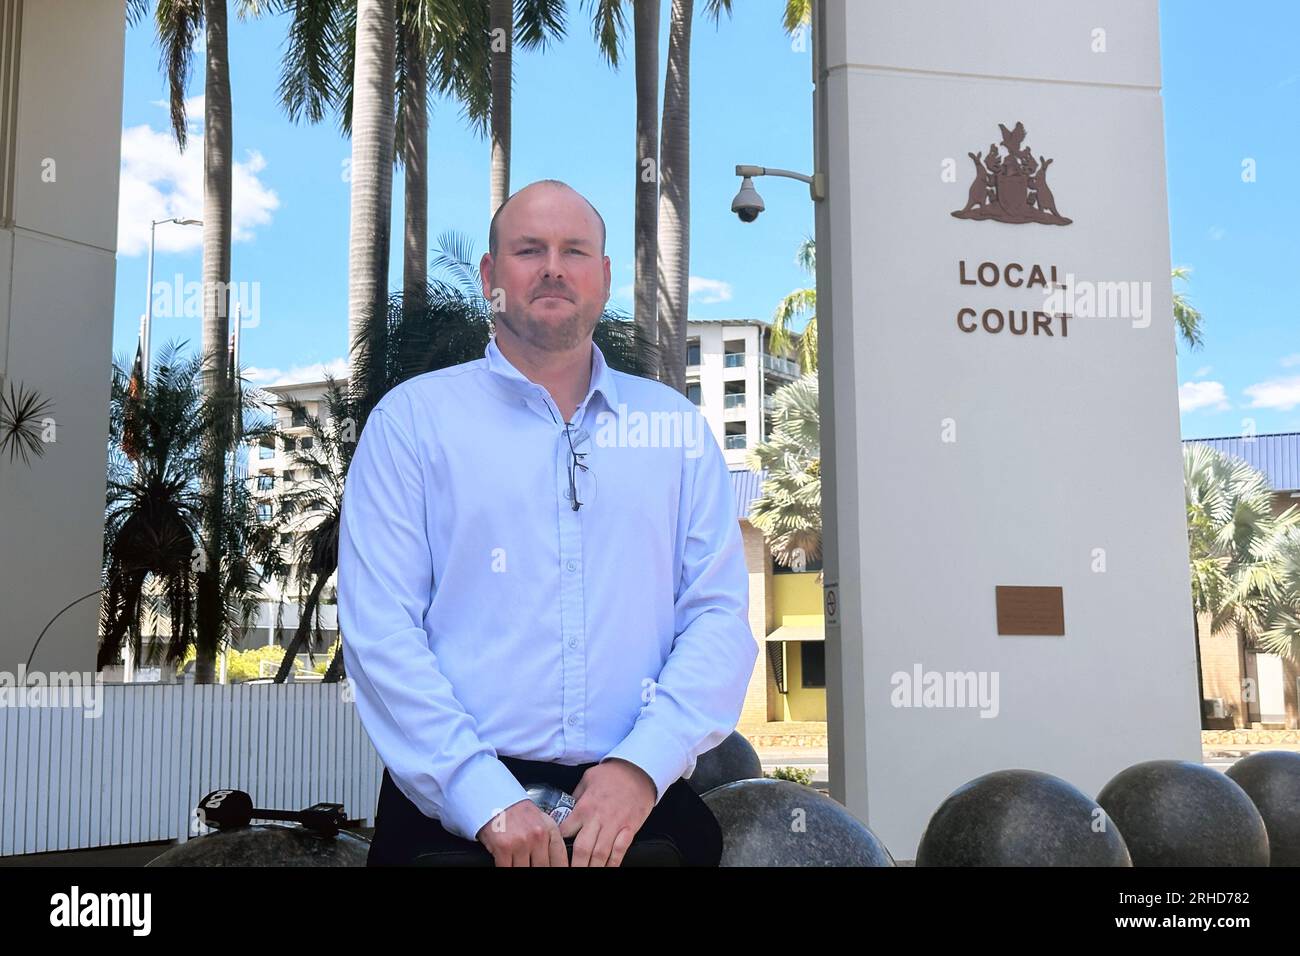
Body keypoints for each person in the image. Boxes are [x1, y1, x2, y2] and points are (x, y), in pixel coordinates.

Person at [338, 179, 758, 867]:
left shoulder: (675, 431)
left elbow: (717, 618)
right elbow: (380, 632)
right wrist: (481, 796)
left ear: (605, 277)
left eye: (575, 251)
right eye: (529, 249)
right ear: (489, 276)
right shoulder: (411, 424)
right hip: (453, 824)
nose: (554, 268)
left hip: (639, 811)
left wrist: (641, 766)